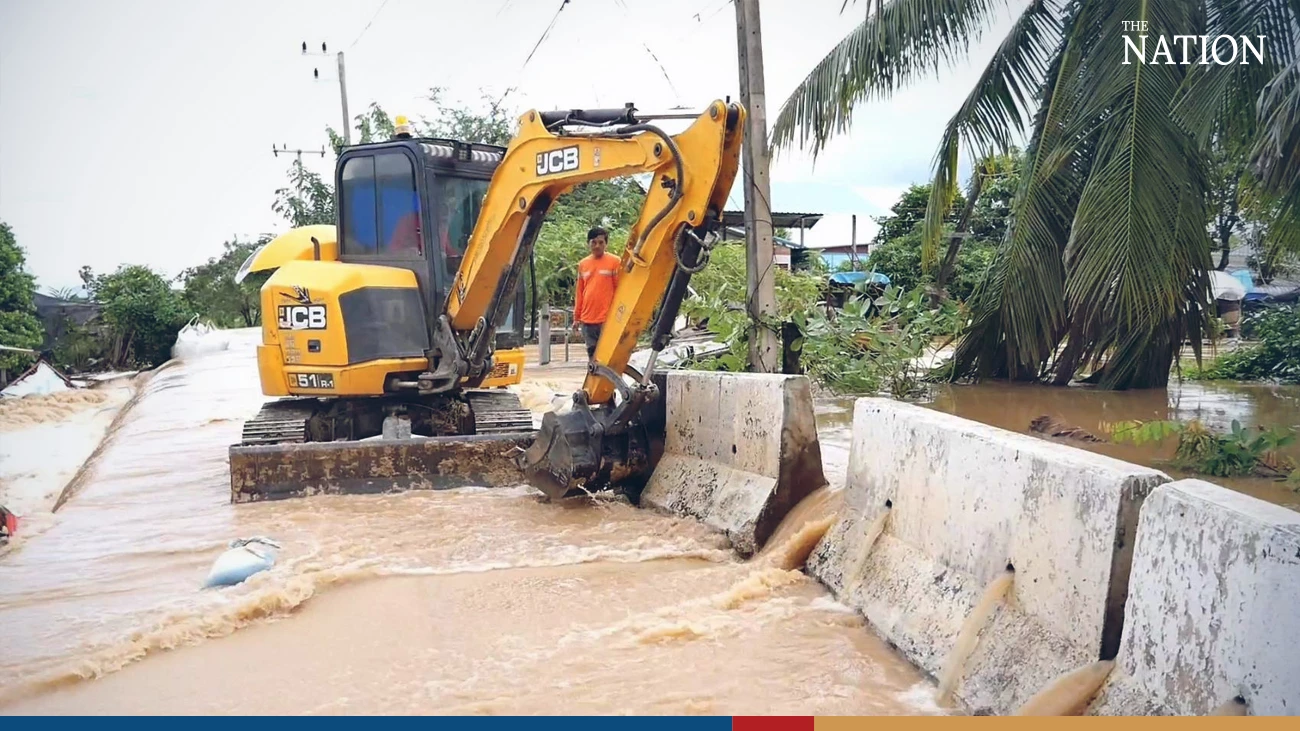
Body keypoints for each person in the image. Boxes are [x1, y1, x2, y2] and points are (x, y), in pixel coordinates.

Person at [573, 226, 621, 361]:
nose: (597, 246)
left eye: (601, 242)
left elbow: (619, 290)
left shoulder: (615, 262)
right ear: (588, 243)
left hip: (607, 319)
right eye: (594, 242)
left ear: (606, 244)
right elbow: (580, 292)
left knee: (608, 358)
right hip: (587, 320)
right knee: (593, 358)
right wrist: (577, 317)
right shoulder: (583, 264)